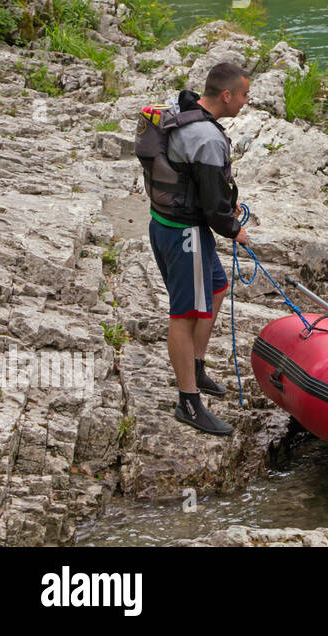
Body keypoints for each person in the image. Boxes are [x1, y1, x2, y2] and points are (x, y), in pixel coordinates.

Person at [138, 62, 252, 435]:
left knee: (216, 286)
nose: (246, 102)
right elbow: (214, 208)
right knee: (184, 315)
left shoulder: (181, 109)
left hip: (166, 224)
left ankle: (196, 366)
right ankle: (188, 402)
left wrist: (225, 205)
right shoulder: (207, 137)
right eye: (244, 95)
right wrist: (235, 229)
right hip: (184, 234)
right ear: (227, 95)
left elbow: (194, 179)